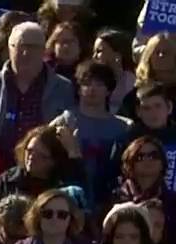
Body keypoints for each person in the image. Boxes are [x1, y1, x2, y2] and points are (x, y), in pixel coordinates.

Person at [0, 22, 77, 154]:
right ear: (9, 49)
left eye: (33, 47)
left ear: (43, 50)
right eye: (20, 46)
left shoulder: (63, 88)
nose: (26, 53)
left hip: (45, 164)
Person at [108, 136, 176, 244]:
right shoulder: (116, 198)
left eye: (153, 156)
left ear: (162, 163)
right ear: (130, 163)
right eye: (140, 157)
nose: (147, 160)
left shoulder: (175, 203)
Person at [55, 61, 131, 190]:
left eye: (99, 84)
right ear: (78, 88)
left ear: (108, 90)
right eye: (86, 83)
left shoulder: (123, 127)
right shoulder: (65, 121)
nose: (92, 89)